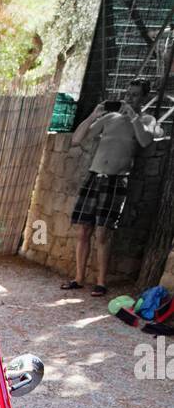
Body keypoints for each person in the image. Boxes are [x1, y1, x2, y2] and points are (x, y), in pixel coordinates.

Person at [61, 80, 157, 297]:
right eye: (128, 93)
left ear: (143, 97)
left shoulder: (146, 120)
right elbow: (77, 139)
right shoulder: (110, 118)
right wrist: (93, 115)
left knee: (103, 233)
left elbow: (145, 142)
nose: (129, 98)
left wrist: (133, 116)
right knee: (83, 229)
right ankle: (78, 278)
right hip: (95, 177)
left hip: (117, 180)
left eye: (135, 95)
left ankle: (101, 282)